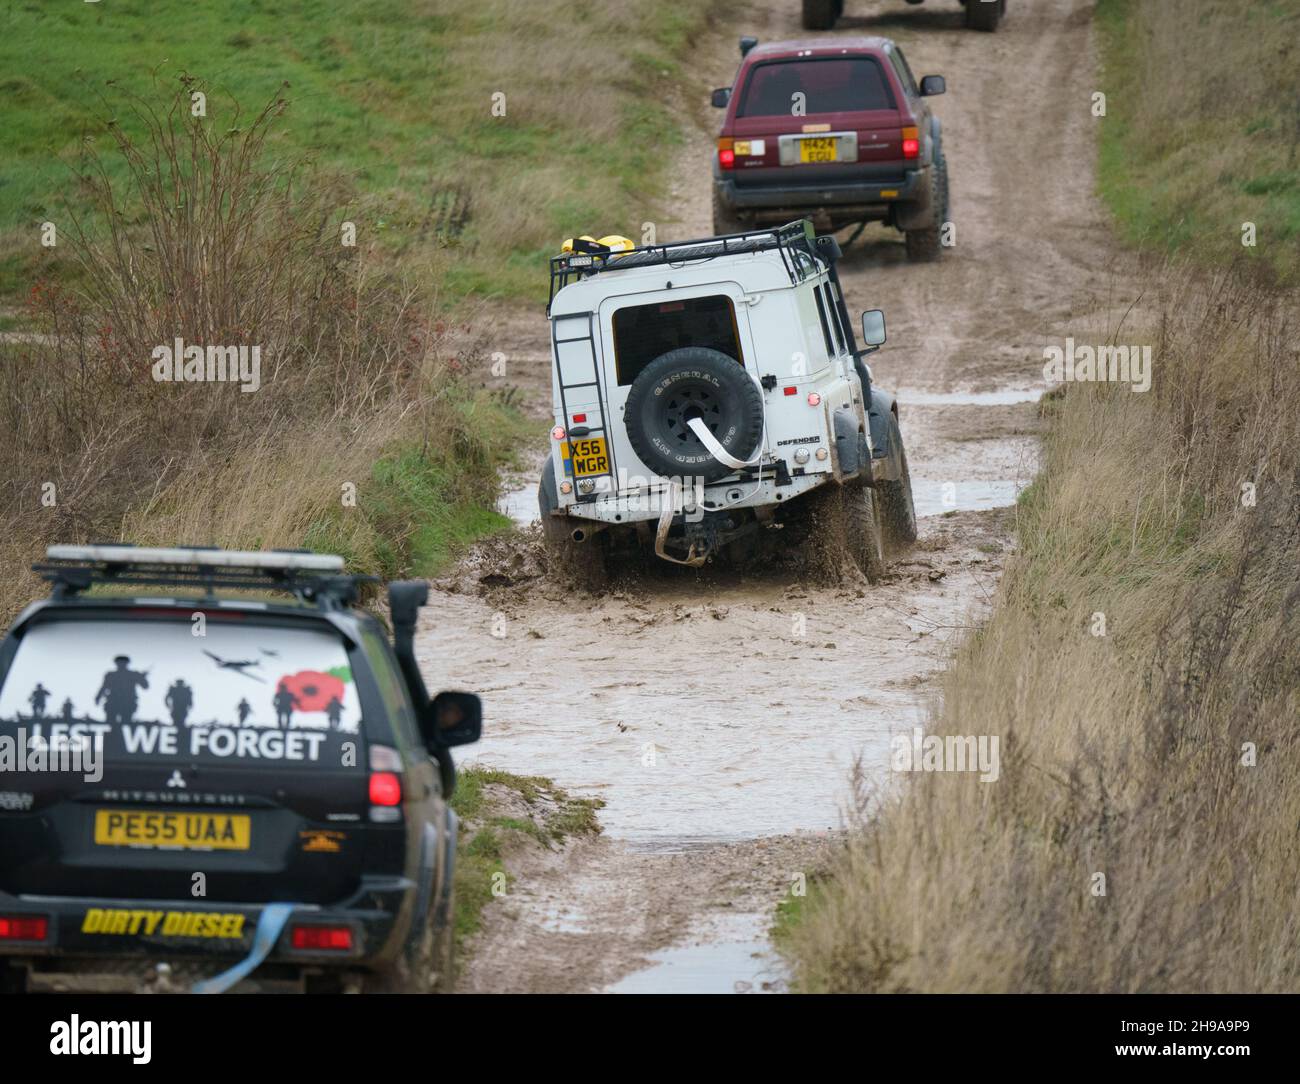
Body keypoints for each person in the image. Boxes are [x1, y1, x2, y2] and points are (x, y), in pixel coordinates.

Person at [95, 656, 149, 726]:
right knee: (111, 724)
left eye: (123, 663)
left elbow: (145, 686)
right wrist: (98, 698)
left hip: (127, 703)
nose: (121, 664)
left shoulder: (133, 674)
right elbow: (104, 687)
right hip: (114, 703)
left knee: (125, 724)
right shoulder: (111, 675)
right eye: (120, 662)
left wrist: (142, 678)